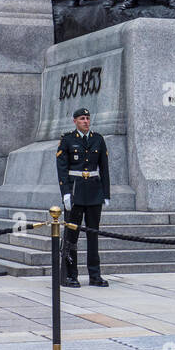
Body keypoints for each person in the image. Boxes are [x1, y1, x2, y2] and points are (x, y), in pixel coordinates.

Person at [56, 107, 111, 287]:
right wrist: (65, 193)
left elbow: (104, 168)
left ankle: (95, 275)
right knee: (72, 237)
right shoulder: (67, 140)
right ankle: (70, 275)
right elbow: (62, 168)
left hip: (94, 193)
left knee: (93, 236)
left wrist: (106, 193)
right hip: (75, 192)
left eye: (87, 118)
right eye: (82, 118)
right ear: (75, 121)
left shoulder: (98, 139)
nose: (86, 121)